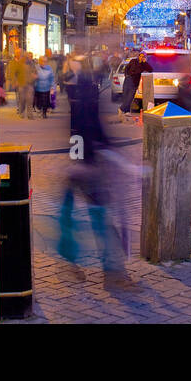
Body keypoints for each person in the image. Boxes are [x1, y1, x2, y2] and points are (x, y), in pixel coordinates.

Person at [58, 60, 128, 285]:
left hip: (78, 164)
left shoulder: (78, 100)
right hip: (88, 167)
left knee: (70, 218)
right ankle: (113, 274)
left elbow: (81, 131)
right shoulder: (88, 101)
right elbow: (93, 130)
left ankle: (71, 263)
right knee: (102, 221)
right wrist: (107, 151)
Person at [119, 50, 149, 122]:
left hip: (134, 82)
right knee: (126, 96)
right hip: (128, 80)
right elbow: (126, 68)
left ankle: (123, 109)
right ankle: (125, 110)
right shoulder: (133, 61)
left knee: (130, 97)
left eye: (144, 56)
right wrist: (126, 75)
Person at [8, 50, 36, 119]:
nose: (27, 58)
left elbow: (35, 71)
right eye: (26, 57)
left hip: (29, 84)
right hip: (21, 84)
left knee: (30, 100)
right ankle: (21, 112)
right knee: (22, 100)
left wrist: (35, 76)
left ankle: (30, 115)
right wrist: (15, 81)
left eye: (28, 57)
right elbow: (14, 73)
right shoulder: (19, 64)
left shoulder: (31, 64)